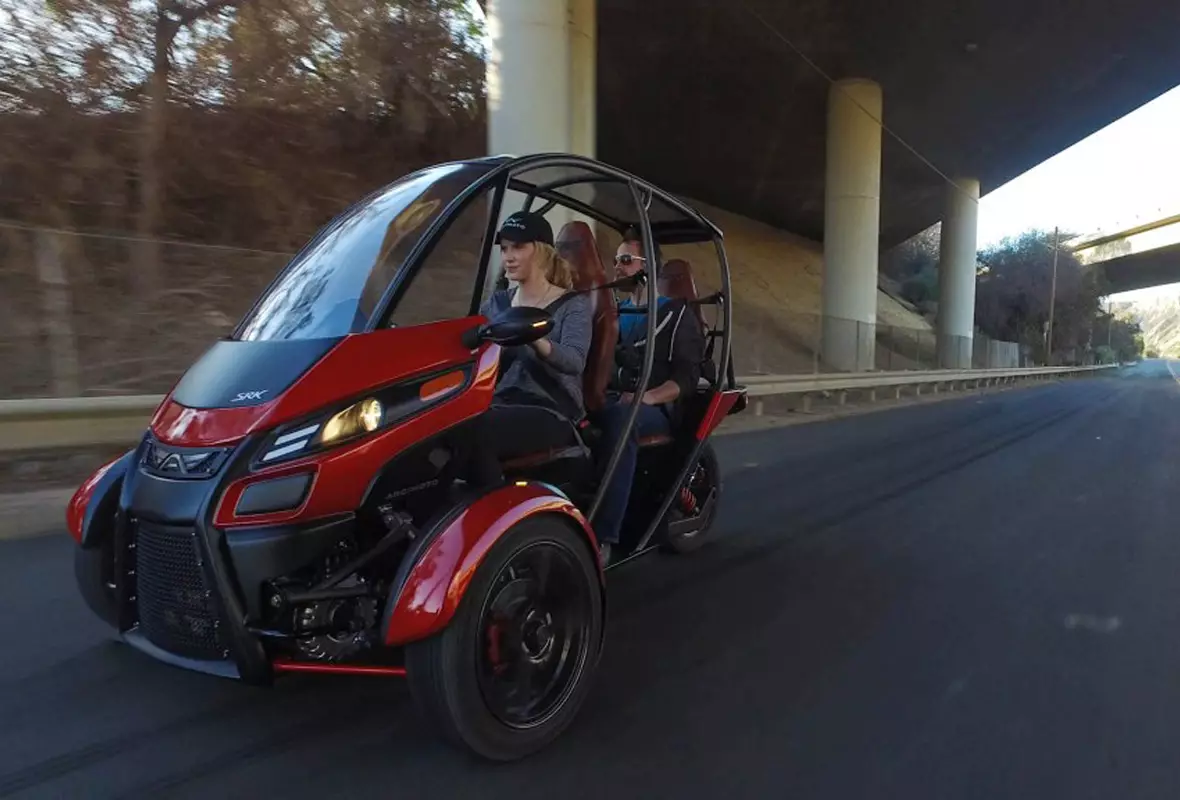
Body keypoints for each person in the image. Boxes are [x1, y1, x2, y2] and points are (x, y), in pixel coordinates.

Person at [593, 231, 706, 565]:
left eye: (626, 260)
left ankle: (603, 539)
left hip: (654, 406)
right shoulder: (615, 312)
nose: (617, 267)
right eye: (615, 260)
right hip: (610, 396)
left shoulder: (674, 313)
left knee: (621, 421)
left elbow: (686, 377)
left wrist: (646, 398)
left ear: (649, 267)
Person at [468, 211, 593, 485]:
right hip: (498, 402)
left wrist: (534, 336)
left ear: (542, 251)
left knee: (477, 430)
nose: (508, 257)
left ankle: (494, 515)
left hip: (551, 409)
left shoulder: (573, 304)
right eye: (504, 249)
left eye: (518, 247)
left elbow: (574, 361)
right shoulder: (497, 304)